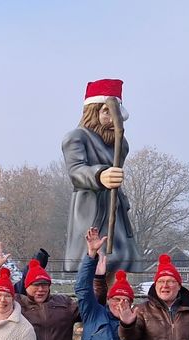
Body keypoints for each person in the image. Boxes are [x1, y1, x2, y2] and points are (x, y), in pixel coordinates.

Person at [62, 79, 136, 272]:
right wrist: (99, 175)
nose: (112, 119)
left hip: (115, 209)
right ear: (93, 112)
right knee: (92, 261)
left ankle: (117, 298)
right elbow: (76, 171)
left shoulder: (121, 144)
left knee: (120, 262)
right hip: (91, 210)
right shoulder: (76, 137)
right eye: (106, 112)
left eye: (115, 113)